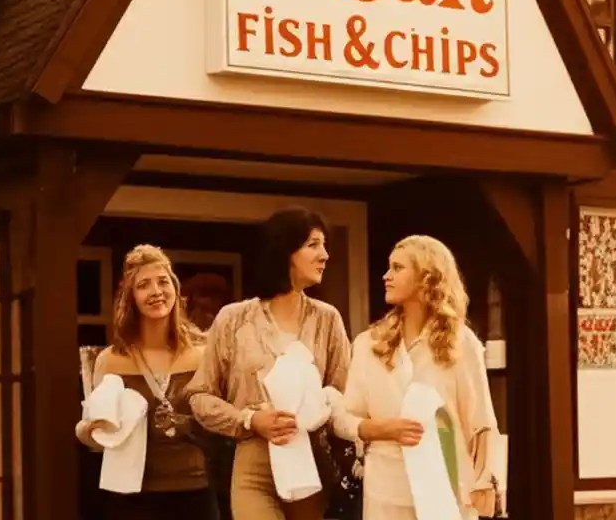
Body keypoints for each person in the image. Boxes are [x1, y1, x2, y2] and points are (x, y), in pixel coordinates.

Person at [185, 207, 352, 520]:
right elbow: (200, 395)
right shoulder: (233, 319)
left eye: (325, 245)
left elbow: (344, 393)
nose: (325, 255)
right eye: (313, 245)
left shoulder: (328, 319)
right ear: (285, 250)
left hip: (311, 462)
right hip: (252, 464)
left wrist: (319, 410)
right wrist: (248, 420)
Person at [331, 235, 500, 520]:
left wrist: (483, 487)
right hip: (386, 490)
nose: (386, 276)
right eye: (388, 268)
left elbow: (481, 422)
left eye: (397, 268)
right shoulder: (368, 344)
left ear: (426, 277)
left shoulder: (461, 343)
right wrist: (382, 429)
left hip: (446, 490)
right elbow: (344, 420)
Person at [75, 245, 219, 520]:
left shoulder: (203, 353)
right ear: (130, 297)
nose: (156, 291)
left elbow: (223, 419)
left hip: (196, 487)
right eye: (144, 285)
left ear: (175, 289)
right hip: (133, 494)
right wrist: (89, 430)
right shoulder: (111, 360)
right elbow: (92, 432)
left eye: (163, 282)